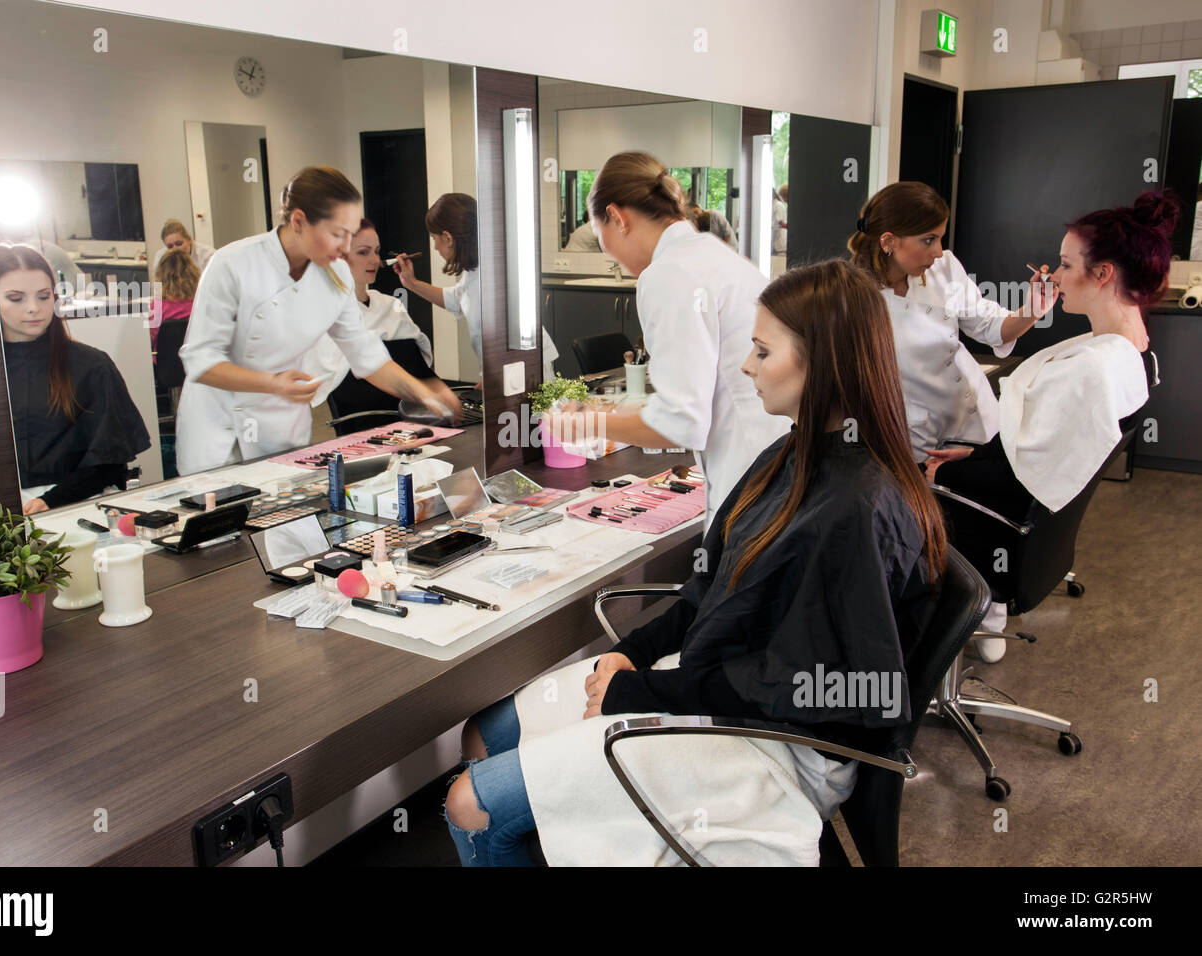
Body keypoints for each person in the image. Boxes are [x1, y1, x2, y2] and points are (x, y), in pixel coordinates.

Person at [444, 259, 946, 866]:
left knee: (470, 803)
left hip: (776, 745)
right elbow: (707, 590)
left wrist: (641, 690)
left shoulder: (853, 510)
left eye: (762, 352)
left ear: (823, 363)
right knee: (482, 735)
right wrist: (631, 653)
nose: (744, 366)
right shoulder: (788, 456)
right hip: (708, 683)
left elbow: (833, 689)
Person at [926, 192, 1175, 662]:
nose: (1055, 276)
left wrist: (943, 475)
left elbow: (1023, 479)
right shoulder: (1136, 352)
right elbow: (1042, 453)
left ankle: (916, 649)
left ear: (1102, 274)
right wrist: (974, 456)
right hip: (1035, 531)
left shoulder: (1093, 370)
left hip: (1004, 524)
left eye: (1064, 264)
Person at [545, 152, 791, 523]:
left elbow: (681, 423)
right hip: (781, 466)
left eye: (601, 237)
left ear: (617, 217)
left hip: (750, 481)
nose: (610, 255)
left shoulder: (668, 273)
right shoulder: (715, 256)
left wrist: (588, 421)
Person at [174, 166, 461, 475]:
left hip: (280, 428)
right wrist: (271, 384)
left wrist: (424, 393)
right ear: (298, 221)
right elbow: (201, 360)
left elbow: (366, 355)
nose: (344, 247)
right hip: (219, 429)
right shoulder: (232, 264)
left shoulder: (335, 274)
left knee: (290, 516)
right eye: (337, 234)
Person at [848, 182, 1057, 464]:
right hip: (917, 439)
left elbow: (989, 325)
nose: (938, 251)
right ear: (888, 241)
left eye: (940, 239)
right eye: (928, 239)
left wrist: (1033, 308)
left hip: (980, 417)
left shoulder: (943, 267)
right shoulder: (853, 298)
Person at [0, 243, 150, 514]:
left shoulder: (92, 366)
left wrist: (51, 500)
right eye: (16, 298)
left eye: (44, 296)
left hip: (75, 506)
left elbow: (109, 460)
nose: (33, 308)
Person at [393, 192, 559, 384]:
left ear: (447, 238)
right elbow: (456, 299)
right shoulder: (476, 269)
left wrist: (494, 377)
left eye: (433, 238)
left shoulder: (491, 278)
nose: (435, 247)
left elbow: (514, 342)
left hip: (524, 372)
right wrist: (411, 283)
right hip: (513, 372)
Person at [299, 218, 434, 405]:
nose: (374, 260)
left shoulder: (390, 304)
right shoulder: (327, 314)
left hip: (416, 409)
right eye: (363, 252)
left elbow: (420, 365)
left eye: (377, 252)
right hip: (370, 419)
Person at [149, 248, 200, 355]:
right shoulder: (201, 302)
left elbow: (150, 338)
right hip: (199, 361)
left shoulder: (157, 305)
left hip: (165, 365)